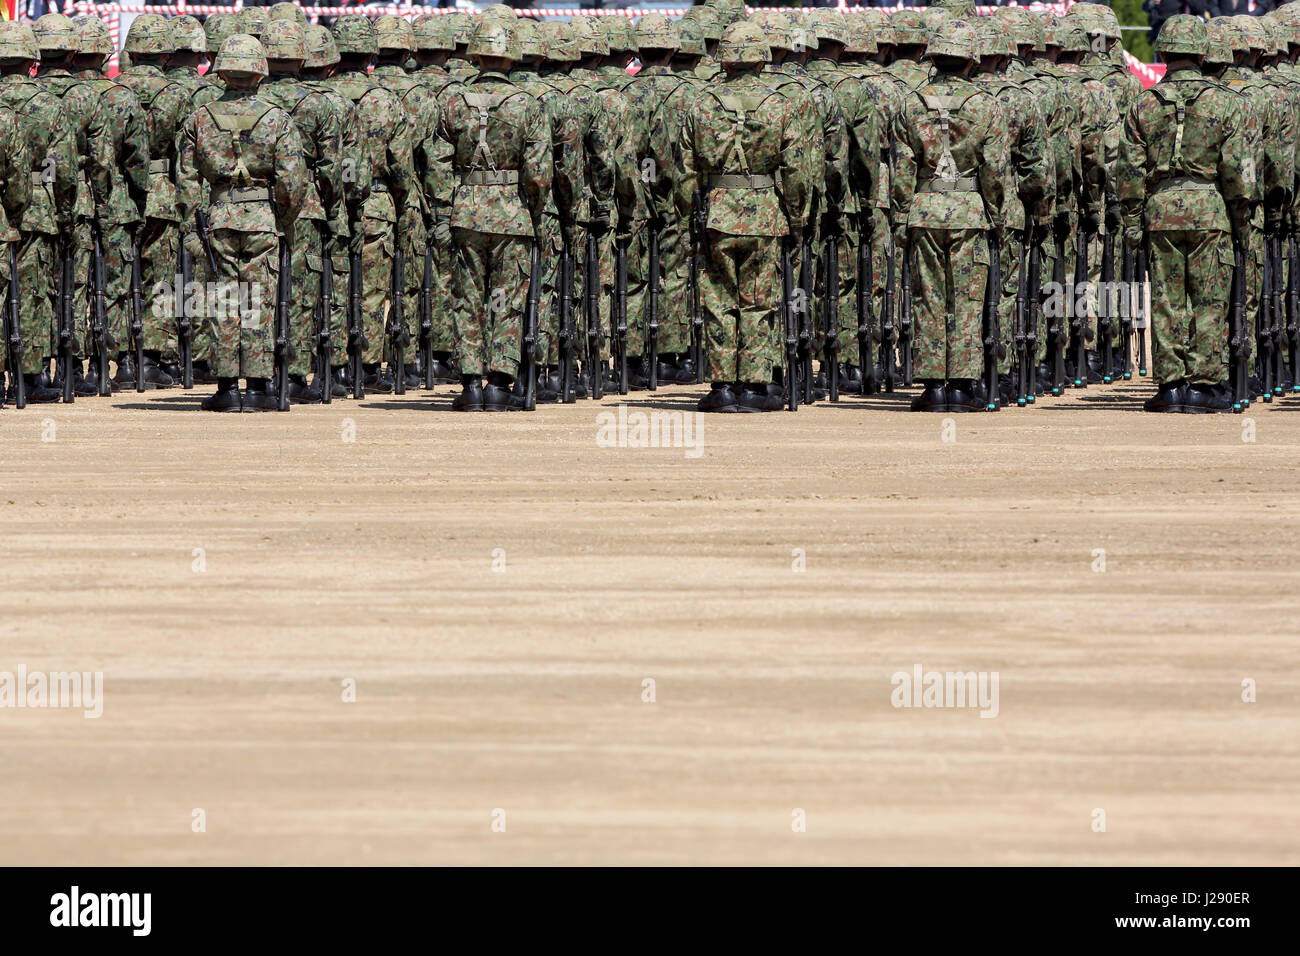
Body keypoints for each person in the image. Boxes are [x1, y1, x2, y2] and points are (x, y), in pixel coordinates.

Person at [1118, 14, 1253, 412]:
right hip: (1210, 210)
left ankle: (1171, 385)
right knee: (1210, 300)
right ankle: (1205, 386)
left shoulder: (1143, 103)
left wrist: (1131, 223)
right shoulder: (1226, 103)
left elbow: (1128, 173)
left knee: (1165, 299)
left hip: (1161, 212)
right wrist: (1242, 223)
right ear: (1202, 53)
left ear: (1162, 52)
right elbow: (1240, 173)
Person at [677, 21, 811, 412]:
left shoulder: (701, 104)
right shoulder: (780, 104)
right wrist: (795, 217)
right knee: (758, 301)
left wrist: (690, 217)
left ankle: (722, 387)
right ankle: (753, 387)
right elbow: (797, 171)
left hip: (717, 214)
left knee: (718, 301)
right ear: (762, 59)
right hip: (766, 215)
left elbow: (684, 171)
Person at [175, 34, 307, 412]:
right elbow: (292, 179)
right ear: (260, 73)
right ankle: (260, 385)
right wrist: (282, 217)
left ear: (221, 73)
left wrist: (191, 223)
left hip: (218, 218)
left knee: (223, 300)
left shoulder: (199, 118)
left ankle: (227, 387)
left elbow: (185, 179)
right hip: (262, 218)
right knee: (259, 300)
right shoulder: (277, 119)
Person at [892, 18, 1010, 412]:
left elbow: (901, 169)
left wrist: (901, 215)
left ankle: (933, 387)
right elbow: (995, 170)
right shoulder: (986, 105)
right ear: (970, 60)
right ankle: (960, 384)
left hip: (924, 211)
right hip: (968, 213)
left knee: (930, 298)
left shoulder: (911, 102)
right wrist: (995, 215)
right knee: (966, 300)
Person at [436, 15, 552, 411]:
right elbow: (538, 174)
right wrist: (532, 211)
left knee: (467, 297)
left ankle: (470, 384)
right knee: (505, 298)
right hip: (512, 213)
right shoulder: (527, 106)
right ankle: (500, 384)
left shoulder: (452, 102)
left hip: (466, 212)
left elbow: (437, 164)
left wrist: (448, 205)